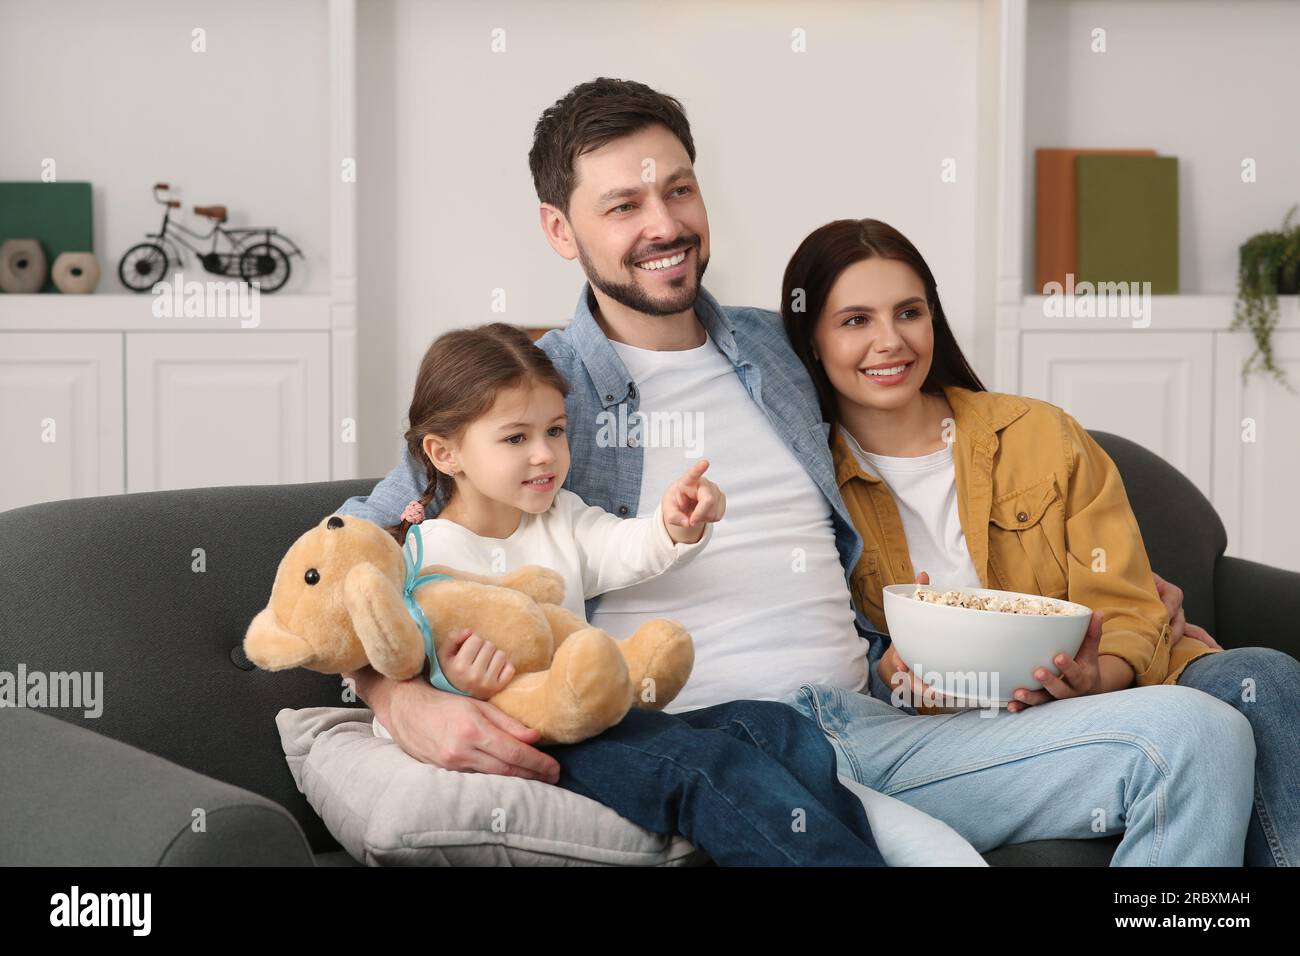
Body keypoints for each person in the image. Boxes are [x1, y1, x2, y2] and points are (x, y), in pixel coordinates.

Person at [337, 77, 1256, 865]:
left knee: (1199, 736)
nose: (665, 226)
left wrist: (1100, 581)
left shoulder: (785, 347)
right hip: (708, 742)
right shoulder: (534, 392)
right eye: (622, 206)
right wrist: (399, 697)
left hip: (876, 722)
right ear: (559, 228)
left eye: (680, 191)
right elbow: (355, 550)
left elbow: (939, 436)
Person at [779, 216, 1299, 866]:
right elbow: (840, 654)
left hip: (1113, 689)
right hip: (946, 732)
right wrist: (892, 679)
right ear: (812, 338)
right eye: (855, 320)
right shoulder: (805, 483)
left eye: (908, 312)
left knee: (1266, 679)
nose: (890, 341)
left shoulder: (1039, 435)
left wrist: (1096, 678)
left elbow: (1131, 601)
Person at [361, 320, 887, 866]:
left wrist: (673, 524)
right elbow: (403, 661)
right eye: (516, 438)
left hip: (601, 719)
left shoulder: (558, 516)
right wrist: (453, 681)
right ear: (445, 454)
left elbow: (621, 547)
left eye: (556, 431)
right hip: (544, 738)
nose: (544, 454)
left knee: (777, 728)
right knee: (699, 768)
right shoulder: (427, 553)